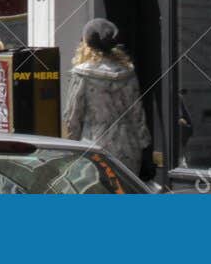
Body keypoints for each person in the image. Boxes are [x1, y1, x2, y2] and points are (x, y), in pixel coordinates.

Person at [64, 18, 152, 178]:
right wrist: (144, 146)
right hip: (128, 150)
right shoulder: (128, 73)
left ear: (87, 43)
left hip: (93, 149)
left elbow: (73, 118)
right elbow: (138, 115)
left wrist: (70, 149)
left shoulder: (81, 75)